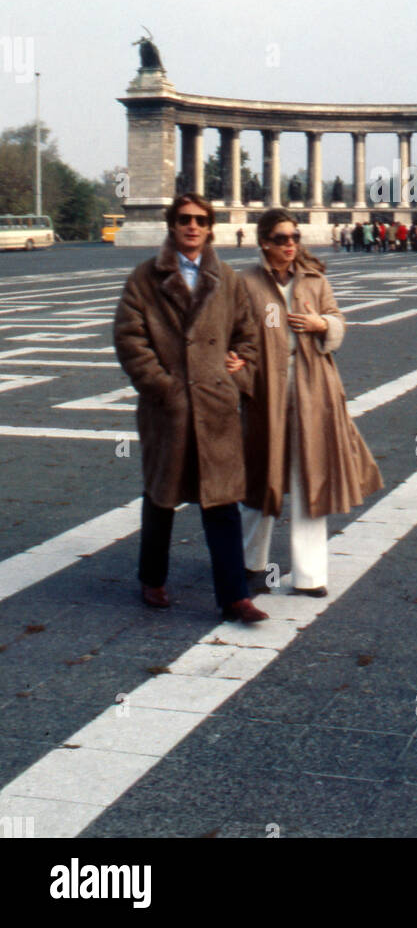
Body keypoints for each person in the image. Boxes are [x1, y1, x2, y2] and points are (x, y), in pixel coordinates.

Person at [113, 193, 267, 623]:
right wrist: (162, 387)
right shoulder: (144, 277)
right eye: (184, 219)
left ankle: (235, 596)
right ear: (172, 224)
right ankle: (152, 577)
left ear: (211, 226)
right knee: (162, 498)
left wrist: (238, 368)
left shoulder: (229, 279)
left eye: (200, 220)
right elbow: (129, 339)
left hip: (215, 405)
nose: (192, 226)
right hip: (170, 407)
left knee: (221, 501)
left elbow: (248, 334)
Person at [239, 208, 383, 597]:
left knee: (310, 477)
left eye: (295, 238)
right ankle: (252, 565)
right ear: (264, 242)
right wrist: (238, 369)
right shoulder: (245, 283)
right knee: (259, 478)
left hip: (311, 385)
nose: (290, 245)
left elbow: (337, 321)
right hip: (263, 388)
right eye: (282, 238)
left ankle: (310, 574)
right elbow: (232, 334)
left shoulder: (315, 280)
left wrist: (323, 325)